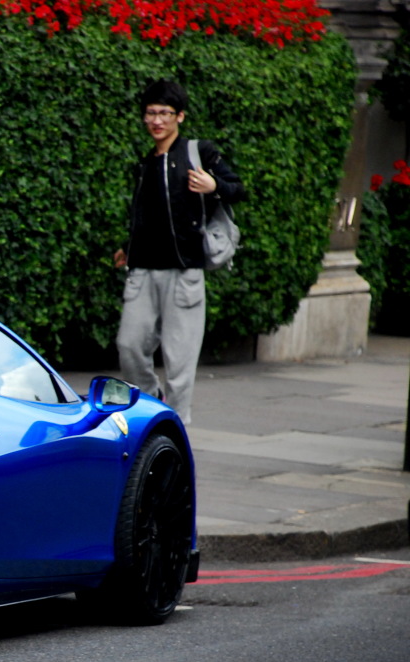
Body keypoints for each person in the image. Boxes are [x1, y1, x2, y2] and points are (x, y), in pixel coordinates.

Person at [113, 79, 245, 425]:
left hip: (184, 271)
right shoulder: (145, 164)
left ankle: (176, 424)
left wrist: (214, 186)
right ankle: (150, 397)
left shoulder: (198, 153)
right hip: (142, 270)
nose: (157, 120)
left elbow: (238, 189)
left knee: (180, 361)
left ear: (180, 117)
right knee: (128, 345)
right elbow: (147, 214)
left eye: (165, 113)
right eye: (151, 113)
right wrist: (129, 248)